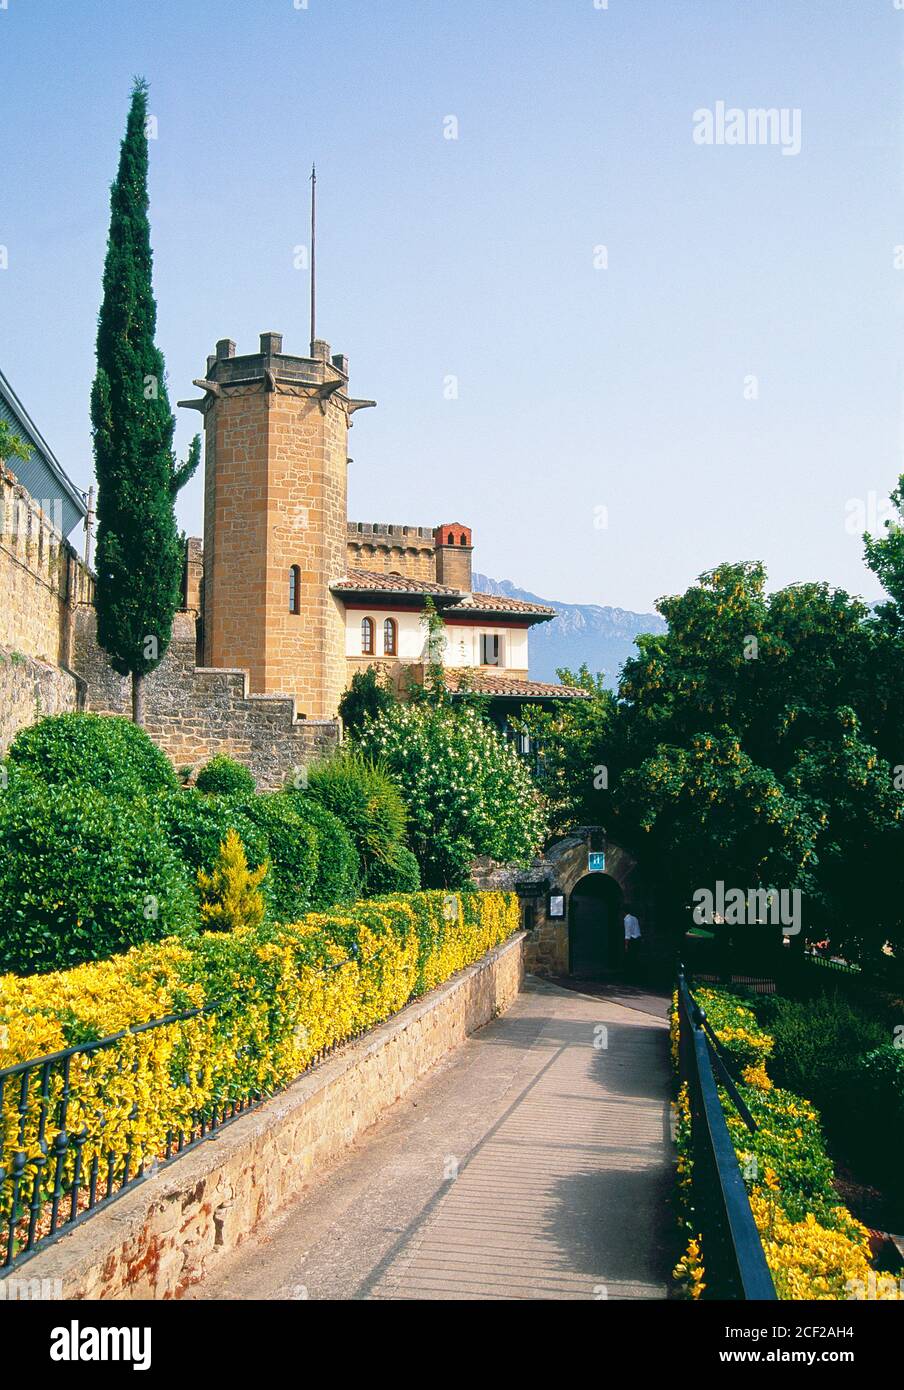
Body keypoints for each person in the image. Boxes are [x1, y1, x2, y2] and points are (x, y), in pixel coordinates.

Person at [624, 907, 641, 975]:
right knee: (635, 957)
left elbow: (627, 933)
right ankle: (635, 973)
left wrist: (626, 945)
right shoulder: (635, 918)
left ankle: (631, 974)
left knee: (630, 958)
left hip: (632, 940)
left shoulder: (627, 919)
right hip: (637, 939)